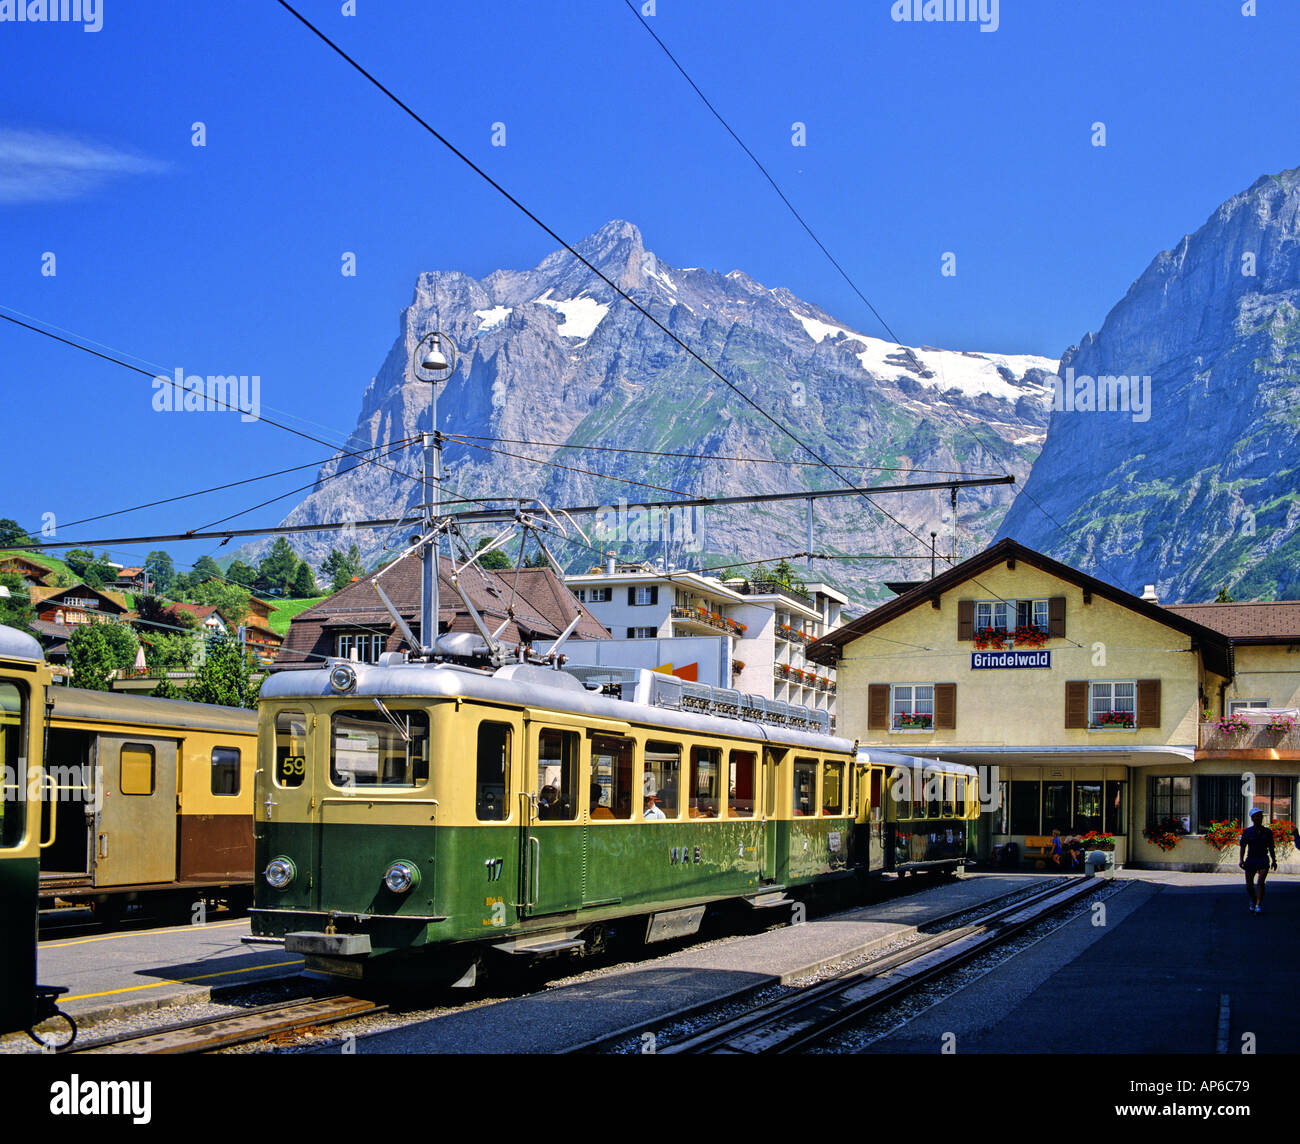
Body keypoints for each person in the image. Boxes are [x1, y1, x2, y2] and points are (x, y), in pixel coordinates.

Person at [1239, 808, 1277, 913]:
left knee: (1261, 882)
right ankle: (1253, 899)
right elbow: (1243, 846)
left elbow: (1271, 847)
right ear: (1252, 818)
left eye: (1260, 816)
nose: (1258, 818)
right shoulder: (1247, 832)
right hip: (1251, 859)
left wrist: (1274, 860)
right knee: (1249, 885)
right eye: (1256, 816)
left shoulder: (1267, 832)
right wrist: (1241, 860)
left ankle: (1258, 904)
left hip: (1263, 859)